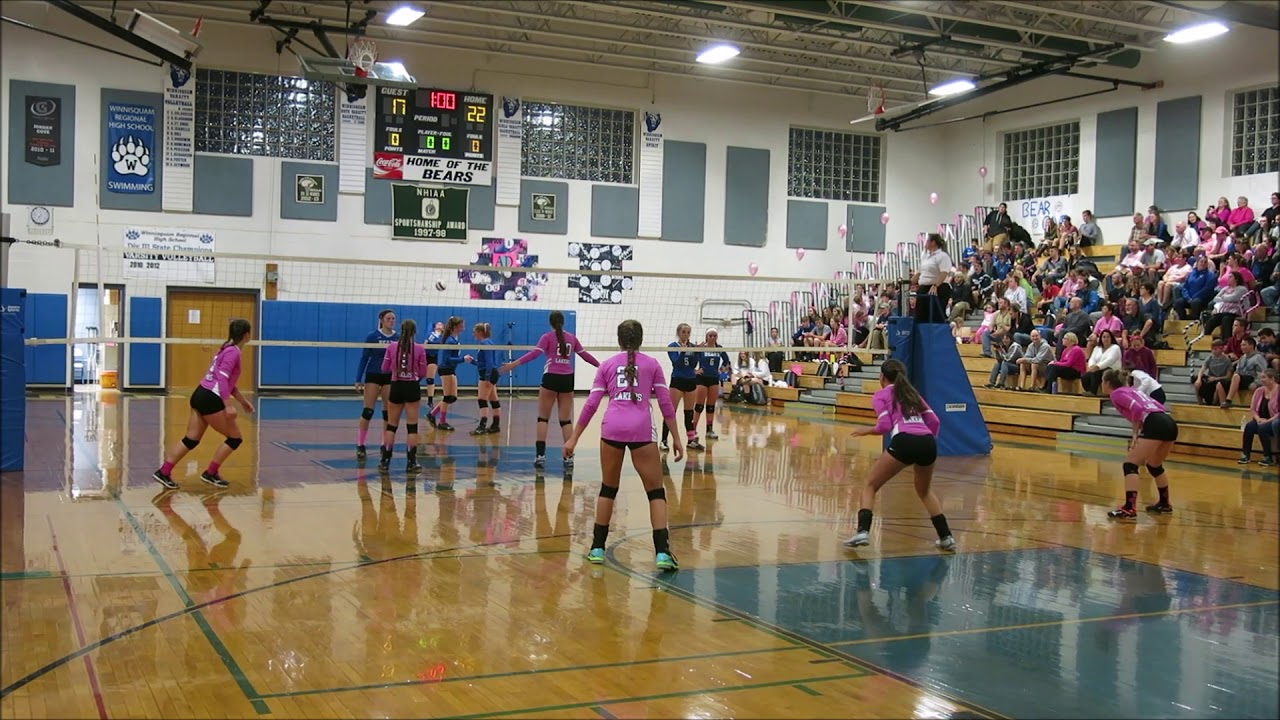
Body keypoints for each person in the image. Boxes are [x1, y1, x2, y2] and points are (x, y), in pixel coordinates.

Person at [563, 320, 685, 570]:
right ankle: (662, 553)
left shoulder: (607, 365)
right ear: (641, 340)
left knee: (608, 489)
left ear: (619, 340)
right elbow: (666, 404)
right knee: (656, 492)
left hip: (612, 428)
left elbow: (591, 404)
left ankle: (597, 548)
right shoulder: (652, 364)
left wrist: (574, 438)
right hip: (641, 430)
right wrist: (676, 437)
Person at [844, 359, 956, 552]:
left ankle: (862, 532)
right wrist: (924, 440)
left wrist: (866, 431)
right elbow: (935, 421)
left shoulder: (880, 395)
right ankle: (946, 537)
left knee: (870, 485)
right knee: (925, 491)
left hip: (904, 440)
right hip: (928, 442)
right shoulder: (913, 394)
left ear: (882, 377)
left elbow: (885, 426)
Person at [153, 319, 255, 489]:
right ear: (247, 335)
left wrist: (243, 401)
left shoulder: (225, 348)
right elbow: (222, 379)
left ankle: (164, 471)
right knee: (235, 438)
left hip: (200, 393)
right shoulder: (233, 352)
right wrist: (228, 405)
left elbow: (227, 382)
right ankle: (211, 473)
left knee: (191, 439)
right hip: (210, 398)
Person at [499, 311, 600, 469]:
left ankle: (540, 456)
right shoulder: (572, 338)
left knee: (543, 418)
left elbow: (534, 354)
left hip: (551, 377)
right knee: (565, 420)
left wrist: (513, 364)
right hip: (567, 379)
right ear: (563, 322)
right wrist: (602, 366)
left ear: (550, 323)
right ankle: (568, 458)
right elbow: (585, 356)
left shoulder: (547, 337)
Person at [1102, 369, 1178, 519]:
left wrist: (1135, 432)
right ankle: (1165, 503)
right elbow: (1159, 407)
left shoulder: (1116, 393)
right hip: (1168, 422)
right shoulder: (1133, 390)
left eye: (1102, 382)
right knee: (1154, 465)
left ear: (1108, 383)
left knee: (1130, 465)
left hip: (1156, 424)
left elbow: (1136, 409)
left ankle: (1129, 508)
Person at [379, 319, 427, 472]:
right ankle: (411, 462)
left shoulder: (392, 347)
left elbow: (384, 368)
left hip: (396, 386)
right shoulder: (419, 349)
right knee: (412, 427)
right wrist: (411, 374)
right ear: (415, 332)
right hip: (412, 387)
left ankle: (385, 461)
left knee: (391, 425)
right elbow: (423, 373)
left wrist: (397, 370)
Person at [354, 309, 397, 460]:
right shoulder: (372, 336)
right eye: (388, 318)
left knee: (387, 413)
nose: (391, 321)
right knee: (368, 411)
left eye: (393, 318)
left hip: (389, 376)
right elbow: (364, 358)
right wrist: (358, 379)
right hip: (373, 375)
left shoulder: (398, 337)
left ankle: (384, 445)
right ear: (382, 320)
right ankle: (360, 444)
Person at [663, 323, 699, 451]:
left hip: (691, 381)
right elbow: (676, 363)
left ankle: (691, 440)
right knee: (671, 412)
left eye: (688, 332)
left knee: (689, 413)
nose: (686, 334)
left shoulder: (692, 347)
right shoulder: (672, 346)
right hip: (677, 381)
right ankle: (664, 440)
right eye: (683, 332)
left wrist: (697, 352)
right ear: (678, 333)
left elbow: (693, 364)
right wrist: (683, 352)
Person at [692, 329, 732, 442]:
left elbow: (726, 360)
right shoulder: (701, 348)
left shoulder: (719, 348)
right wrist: (694, 370)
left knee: (711, 406)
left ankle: (709, 430)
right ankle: (693, 429)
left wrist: (722, 368)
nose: (712, 337)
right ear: (706, 336)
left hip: (714, 378)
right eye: (710, 335)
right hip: (702, 379)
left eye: (714, 335)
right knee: (699, 406)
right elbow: (691, 360)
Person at [463, 322, 501, 435]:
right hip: (490, 372)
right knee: (493, 400)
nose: (473, 334)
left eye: (474, 332)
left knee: (482, 400)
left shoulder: (485, 343)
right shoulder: (488, 342)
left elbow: (489, 362)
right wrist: (473, 361)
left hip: (487, 374)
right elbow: (484, 362)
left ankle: (482, 427)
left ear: (480, 332)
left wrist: (487, 377)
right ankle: (495, 425)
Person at [427, 316, 465, 431]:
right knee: (447, 397)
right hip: (445, 369)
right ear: (455, 327)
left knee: (452, 397)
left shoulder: (454, 339)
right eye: (461, 326)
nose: (463, 328)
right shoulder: (450, 340)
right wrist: (462, 359)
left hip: (451, 369)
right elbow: (447, 359)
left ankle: (432, 414)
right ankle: (442, 422)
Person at [1240, 369, 1279, 467]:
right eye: (1261, 377)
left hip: (1274, 419)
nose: (1261, 380)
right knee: (1249, 426)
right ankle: (1245, 454)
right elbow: (1253, 409)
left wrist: (1268, 421)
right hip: (1260, 419)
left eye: (1264, 377)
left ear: (1272, 379)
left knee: (1262, 428)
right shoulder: (1259, 391)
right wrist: (1258, 419)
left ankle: (1267, 456)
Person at [914, 233, 954, 324]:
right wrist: (907, 283)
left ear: (933, 242)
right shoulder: (925, 257)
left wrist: (935, 285)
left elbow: (944, 272)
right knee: (920, 316)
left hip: (938, 288)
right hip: (924, 288)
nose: (925, 243)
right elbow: (919, 273)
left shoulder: (943, 256)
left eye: (927, 241)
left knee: (935, 315)